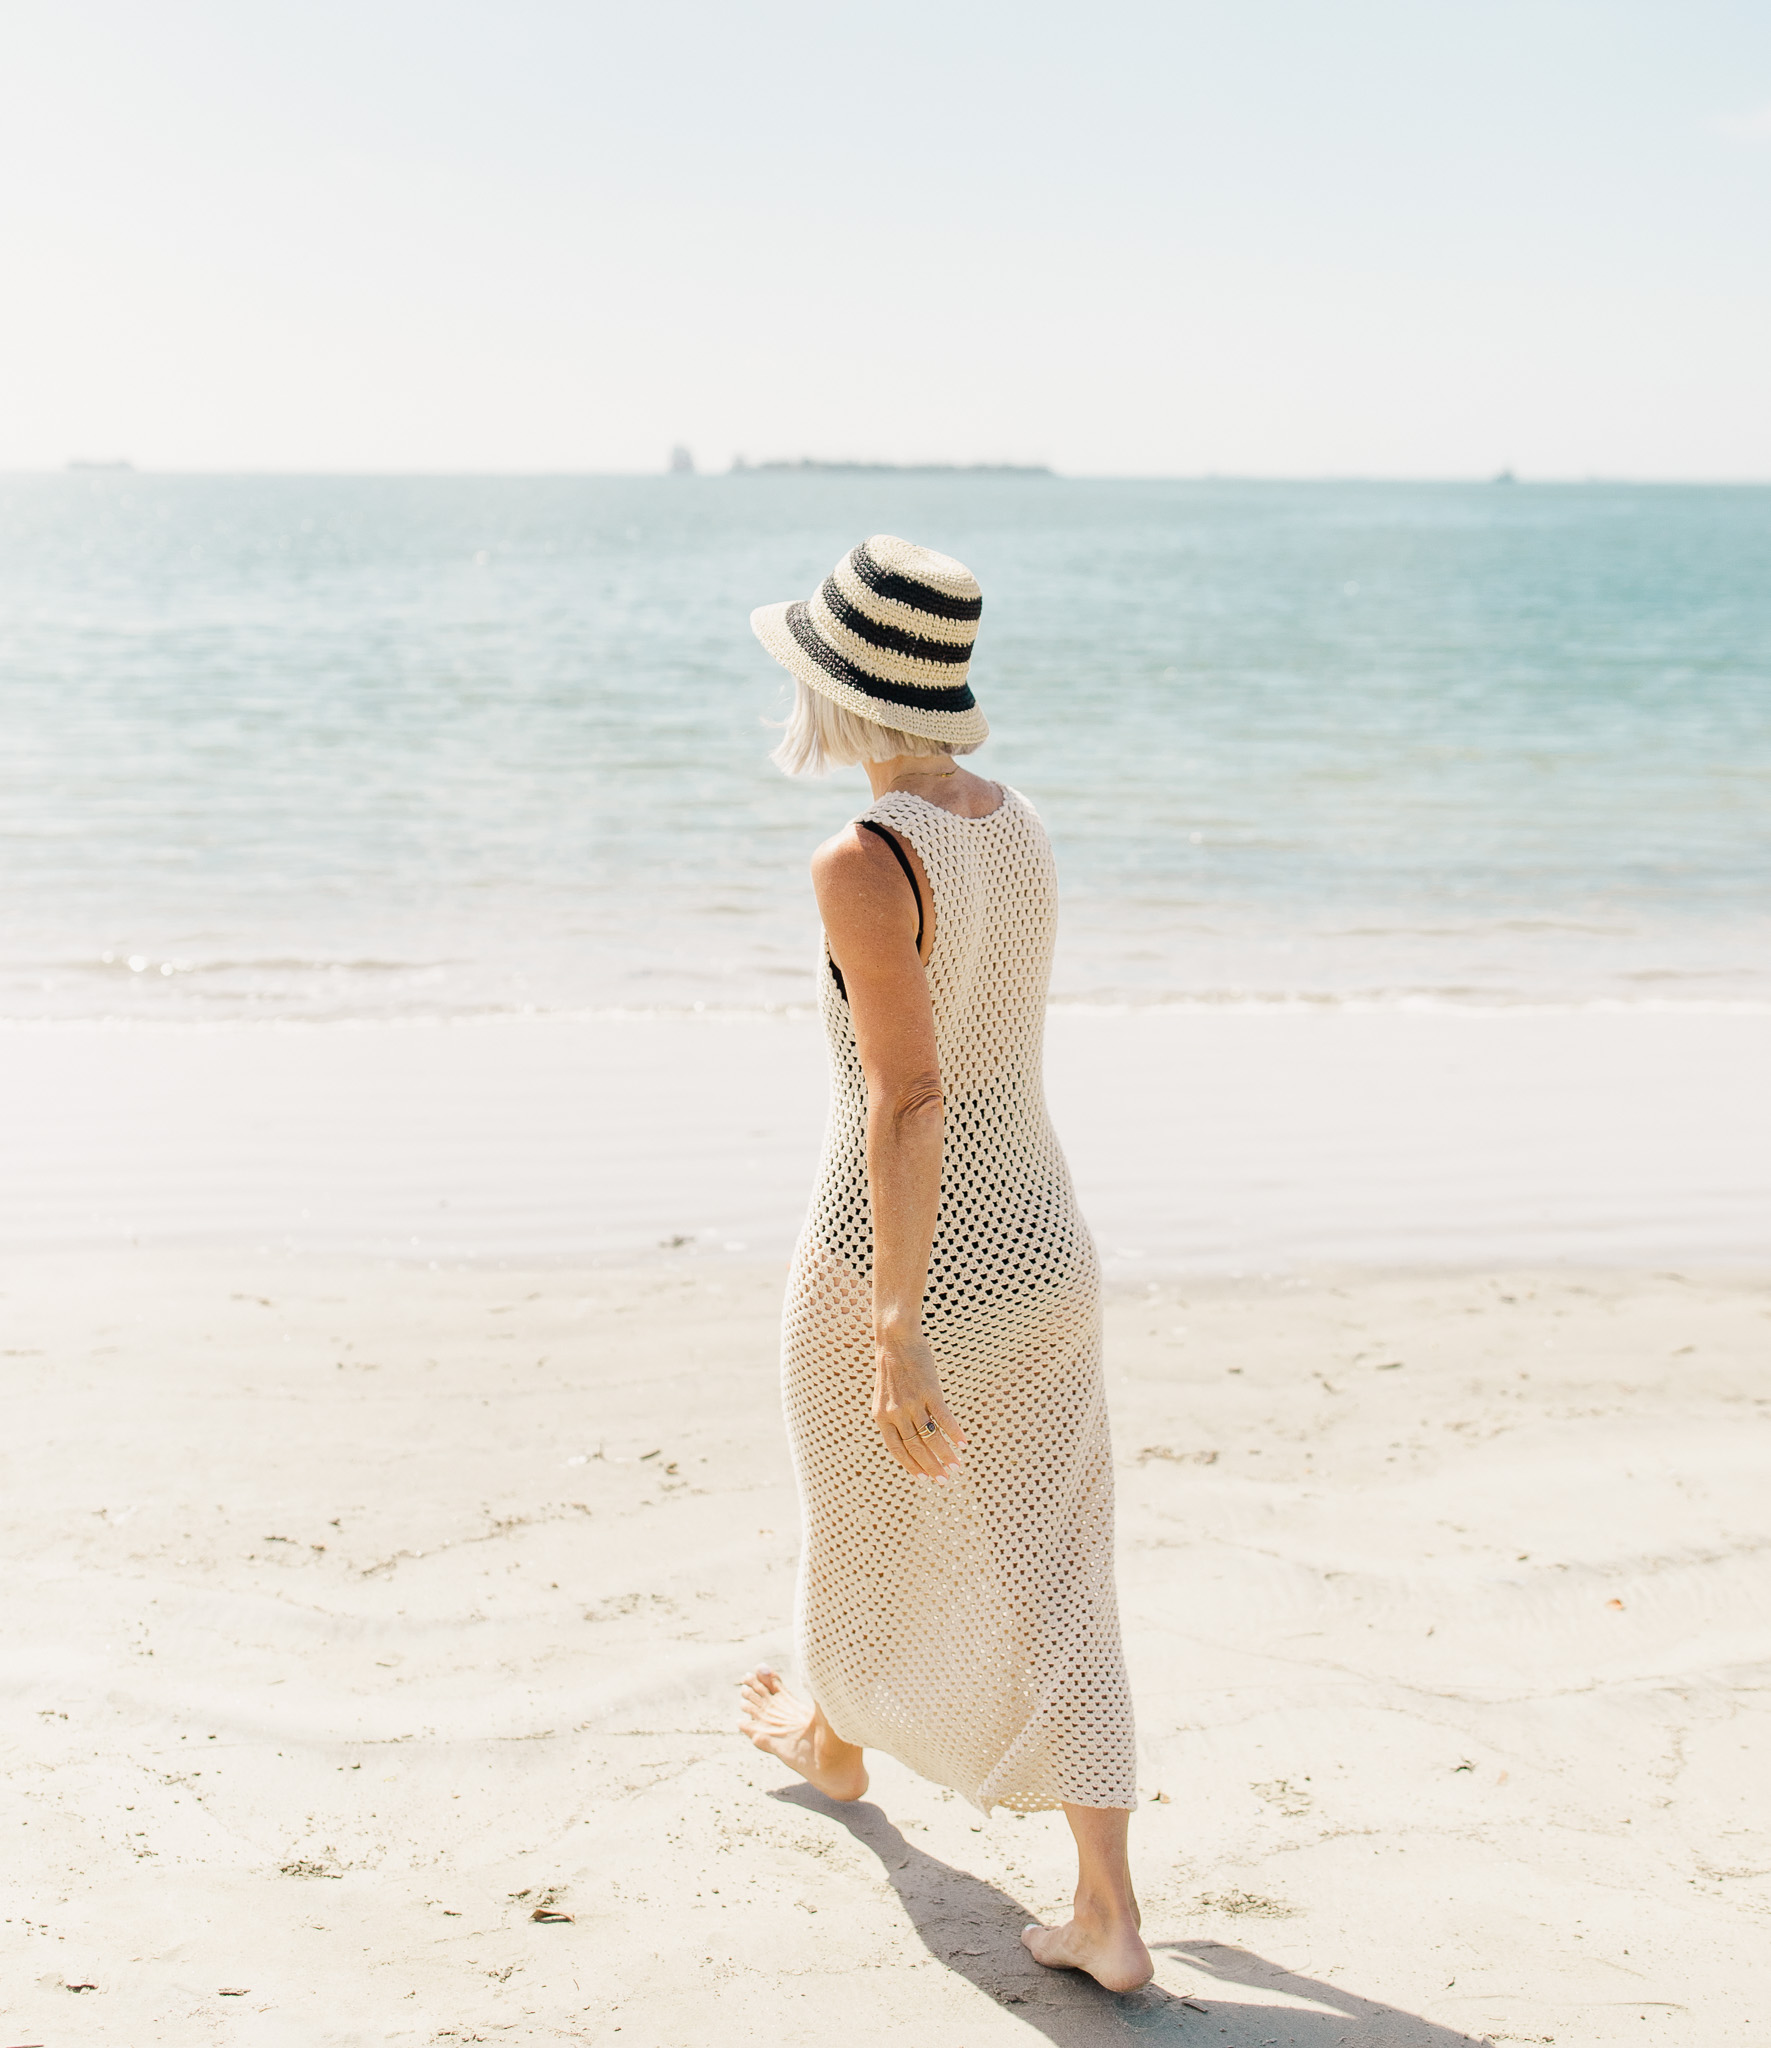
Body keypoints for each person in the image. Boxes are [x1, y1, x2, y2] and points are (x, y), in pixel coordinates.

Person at [736, 535, 1150, 1995]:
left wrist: (895, 1322)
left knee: (858, 1518)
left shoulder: (863, 857)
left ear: (839, 691)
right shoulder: (1014, 821)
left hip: (902, 1250)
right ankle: (1103, 1906)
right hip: (1041, 1233)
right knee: (1059, 1565)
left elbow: (912, 1097)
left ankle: (837, 1740)